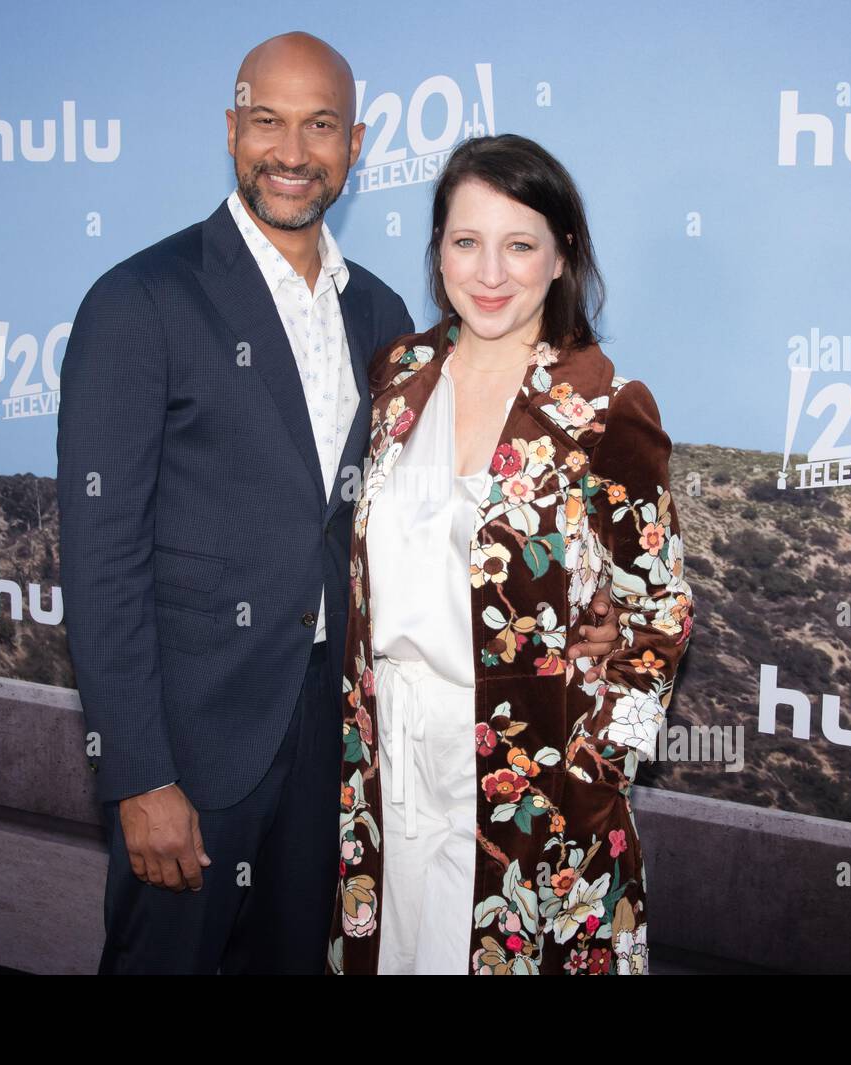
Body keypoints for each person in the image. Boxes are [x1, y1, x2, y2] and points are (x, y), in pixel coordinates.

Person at [57, 31, 636, 975]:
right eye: (268, 122)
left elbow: (453, 518)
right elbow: (99, 555)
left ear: (356, 143)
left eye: (319, 125)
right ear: (231, 129)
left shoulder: (384, 327)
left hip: (346, 759)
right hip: (195, 753)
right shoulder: (141, 301)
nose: (292, 152)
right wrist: (139, 772)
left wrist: (590, 606)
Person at [329, 134, 697, 975]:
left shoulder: (605, 407)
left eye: (519, 244)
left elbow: (661, 610)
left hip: (531, 796)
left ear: (562, 255)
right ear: (438, 251)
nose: (490, 272)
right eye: (466, 242)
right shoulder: (399, 377)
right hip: (387, 772)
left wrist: (600, 765)